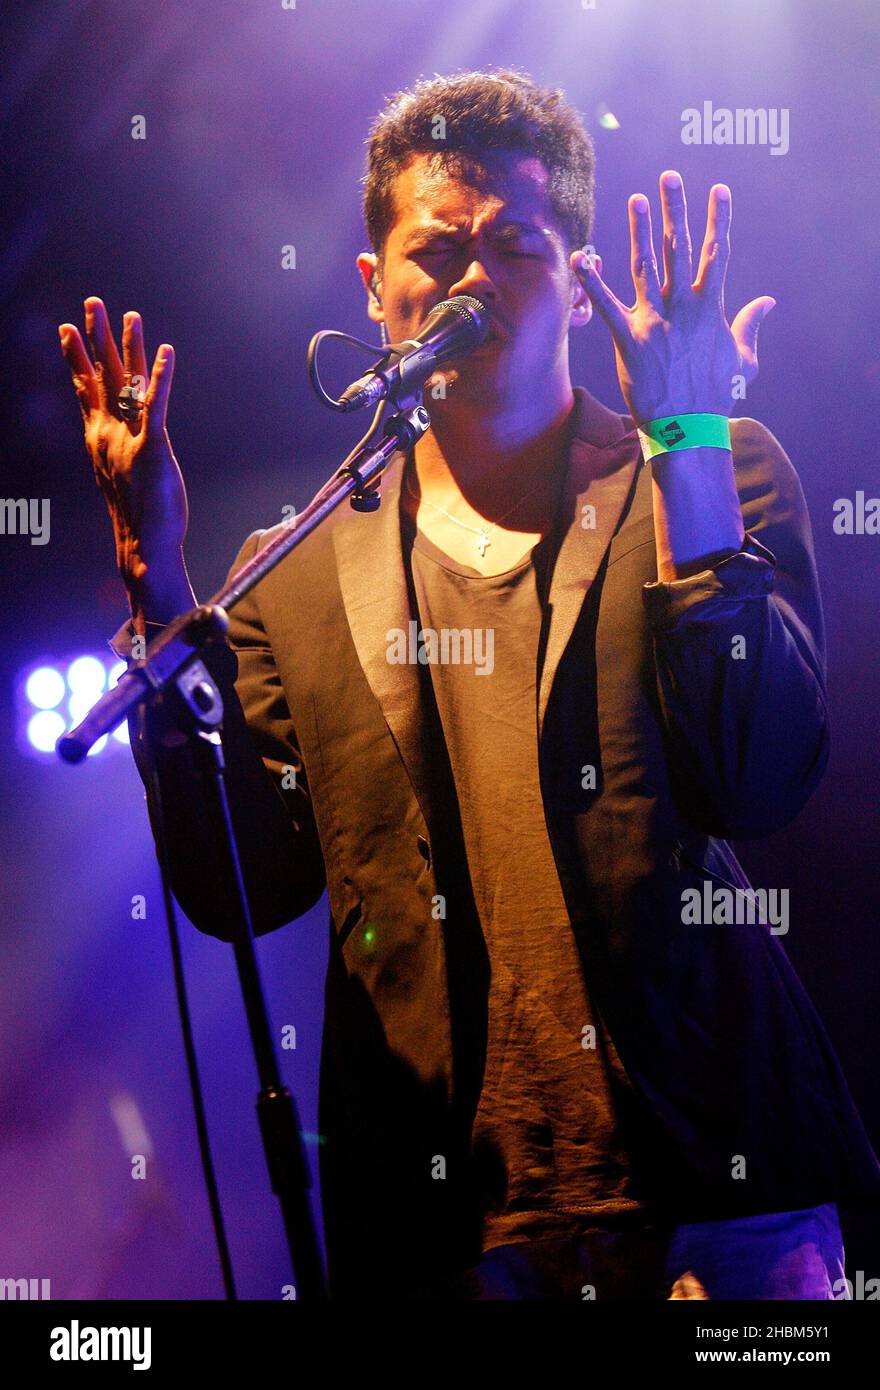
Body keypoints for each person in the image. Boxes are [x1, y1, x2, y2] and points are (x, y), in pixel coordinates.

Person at [59, 69, 880, 1300]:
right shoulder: (290, 573)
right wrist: (155, 584)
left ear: (581, 274)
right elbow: (242, 888)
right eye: (436, 248)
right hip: (444, 1233)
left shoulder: (702, 473)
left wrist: (691, 446)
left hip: (717, 1199)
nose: (472, 278)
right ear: (373, 288)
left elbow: (759, 779)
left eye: (516, 244)